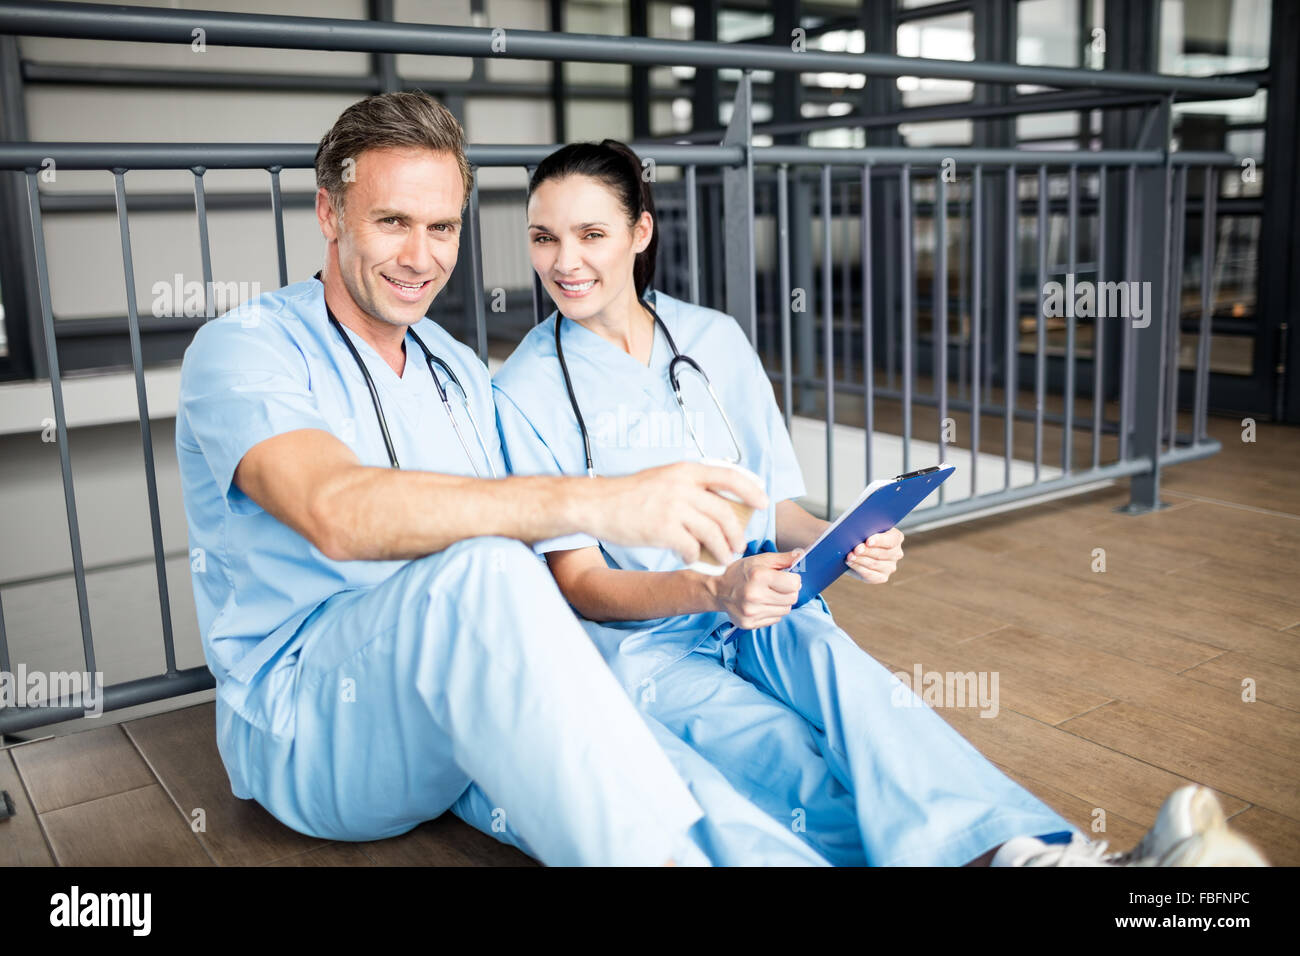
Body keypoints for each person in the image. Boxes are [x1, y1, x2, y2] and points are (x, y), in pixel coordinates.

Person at [490, 139, 1270, 867]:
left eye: (590, 234)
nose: (565, 262)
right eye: (543, 238)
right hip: (647, 643)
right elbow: (580, 586)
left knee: (866, 702)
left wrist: (842, 537)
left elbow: (775, 512)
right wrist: (712, 590)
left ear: (639, 232)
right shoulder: (522, 389)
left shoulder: (713, 341)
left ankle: (1034, 857)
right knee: (782, 758)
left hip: (768, 594)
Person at [175, 91, 831, 867]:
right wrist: (613, 501)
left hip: (455, 700)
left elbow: (548, 556)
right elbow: (336, 510)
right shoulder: (245, 349)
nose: (420, 256)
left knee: (682, 780)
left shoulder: (455, 367)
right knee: (488, 571)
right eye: (392, 222)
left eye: (442, 227)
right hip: (313, 725)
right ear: (329, 213)